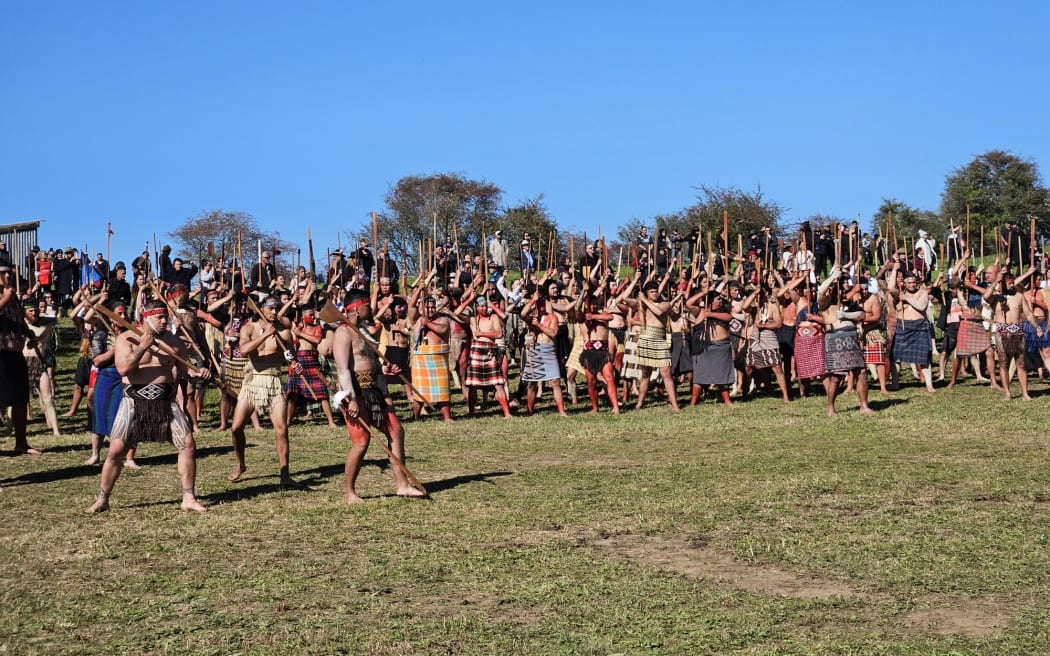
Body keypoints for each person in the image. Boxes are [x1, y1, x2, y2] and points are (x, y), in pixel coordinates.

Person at [87, 299, 211, 513]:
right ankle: (102, 498)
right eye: (159, 317)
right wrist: (142, 347)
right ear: (146, 317)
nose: (164, 321)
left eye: (165, 317)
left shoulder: (174, 342)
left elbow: (185, 372)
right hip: (133, 402)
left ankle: (188, 497)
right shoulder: (126, 338)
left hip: (165, 402)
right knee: (116, 450)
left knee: (188, 445)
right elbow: (123, 369)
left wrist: (198, 373)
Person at [331, 289, 425, 502]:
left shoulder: (364, 330)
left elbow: (370, 362)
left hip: (374, 389)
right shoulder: (342, 333)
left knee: (396, 432)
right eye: (367, 306)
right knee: (361, 442)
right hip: (354, 392)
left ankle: (402, 485)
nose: (371, 309)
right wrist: (351, 399)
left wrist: (385, 370)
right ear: (357, 308)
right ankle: (350, 492)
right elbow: (343, 369)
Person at [228, 296, 304, 487]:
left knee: (282, 429)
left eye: (277, 308)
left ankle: (285, 475)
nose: (274, 312)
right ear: (260, 309)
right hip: (252, 382)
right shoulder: (248, 328)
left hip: (273, 382)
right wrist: (265, 335)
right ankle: (241, 464)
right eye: (270, 308)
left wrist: (295, 364)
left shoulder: (284, 333)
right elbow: (243, 350)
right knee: (236, 428)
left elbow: (291, 357)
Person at [0, 265, 40, 455]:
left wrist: (27, 331)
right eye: (3, 272)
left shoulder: (12, 296)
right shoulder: (7, 295)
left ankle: (21, 443)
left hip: (15, 353)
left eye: (9, 272)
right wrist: (5, 298)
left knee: (20, 399)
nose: (8, 275)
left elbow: (19, 317)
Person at [23, 303, 61, 436]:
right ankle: (12, 428)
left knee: (48, 397)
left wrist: (24, 325)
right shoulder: (20, 323)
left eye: (35, 310)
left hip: (38, 362)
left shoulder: (45, 324)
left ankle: (56, 429)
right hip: (23, 362)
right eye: (30, 310)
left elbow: (37, 334)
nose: (34, 313)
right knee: (18, 399)